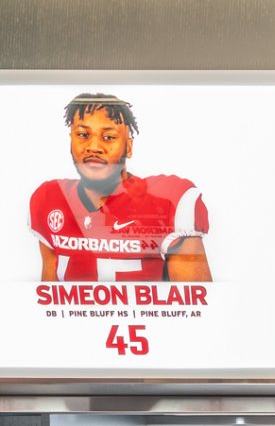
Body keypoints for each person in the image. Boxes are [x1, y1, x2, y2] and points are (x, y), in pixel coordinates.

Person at [29, 90, 211, 283]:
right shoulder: (50, 199)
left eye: (108, 137)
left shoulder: (167, 201)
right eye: (83, 134)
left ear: (129, 147)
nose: (93, 147)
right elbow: (49, 298)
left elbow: (195, 300)